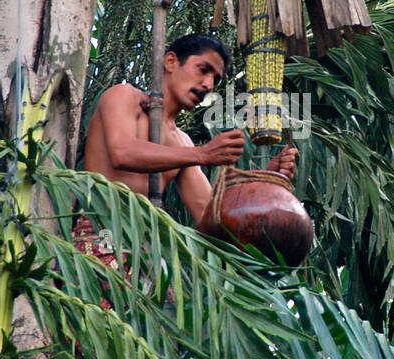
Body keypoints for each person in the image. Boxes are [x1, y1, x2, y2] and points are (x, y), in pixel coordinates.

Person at [75, 34, 297, 275]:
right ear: (171, 61)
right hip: (102, 234)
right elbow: (123, 153)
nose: (208, 85)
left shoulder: (182, 142)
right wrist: (202, 154)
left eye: (215, 79)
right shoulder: (124, 96)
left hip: (148, 254)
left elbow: (210, 215)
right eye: (203, 70)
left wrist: (265, 183)